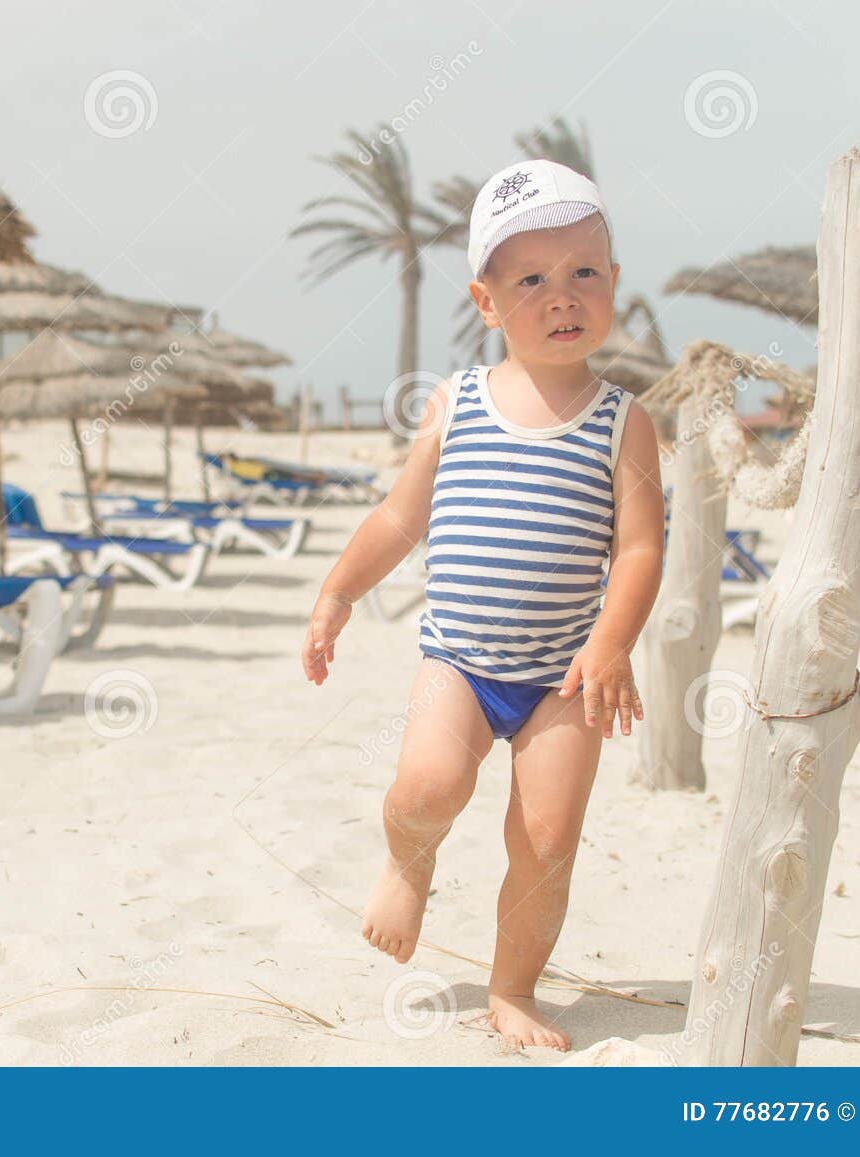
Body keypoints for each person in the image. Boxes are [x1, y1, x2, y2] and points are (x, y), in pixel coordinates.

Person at [300, 159, 665, 1051]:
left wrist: (612, 643)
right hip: (459, 664)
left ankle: (512, 987)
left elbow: (641, 549)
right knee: (428, 786)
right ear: (487, 302)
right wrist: (338, 592)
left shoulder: (624, 421)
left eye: (584, 271)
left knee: (547, 838)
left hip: (564, 677)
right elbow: (400, 516)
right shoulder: (456, 404)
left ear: (614, 283)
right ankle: (408, 861)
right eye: (530, 279)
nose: (562, 295)